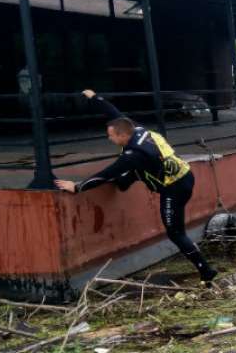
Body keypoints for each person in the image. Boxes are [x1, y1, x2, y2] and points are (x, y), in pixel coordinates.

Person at [54, 89, 217, 283]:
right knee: (133, 173)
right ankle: (123, 183)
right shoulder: (138, 130)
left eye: (111, 136)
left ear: (123, 136)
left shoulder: (134, 154)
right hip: (186, 174)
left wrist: (78, 187)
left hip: (174, 188)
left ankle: (206, 271)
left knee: (175, 233)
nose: (109, 139)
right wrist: (95, 98)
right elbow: (113, 113)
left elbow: (106, 174)